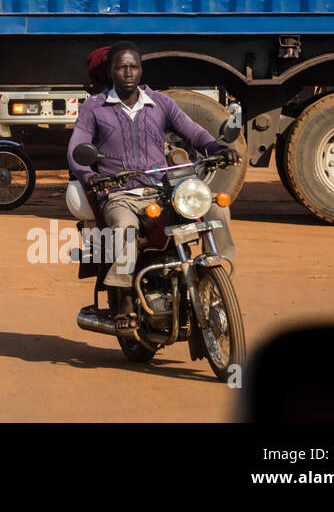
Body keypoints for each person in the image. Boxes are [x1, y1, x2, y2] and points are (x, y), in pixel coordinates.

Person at [67, 40, 238, 331]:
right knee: (123, 228)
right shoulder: (95, 108)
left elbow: (192, 131)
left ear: (141, 69)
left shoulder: (159, 102)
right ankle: (121, 297)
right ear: (111, 72)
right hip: (120, 194)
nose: (128, 72)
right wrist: (88, 175)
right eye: (121, 67)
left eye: (134, 66)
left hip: (162, 190)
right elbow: (76, 149)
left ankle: (217, 267)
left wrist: (216, 148)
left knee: (212, 207)